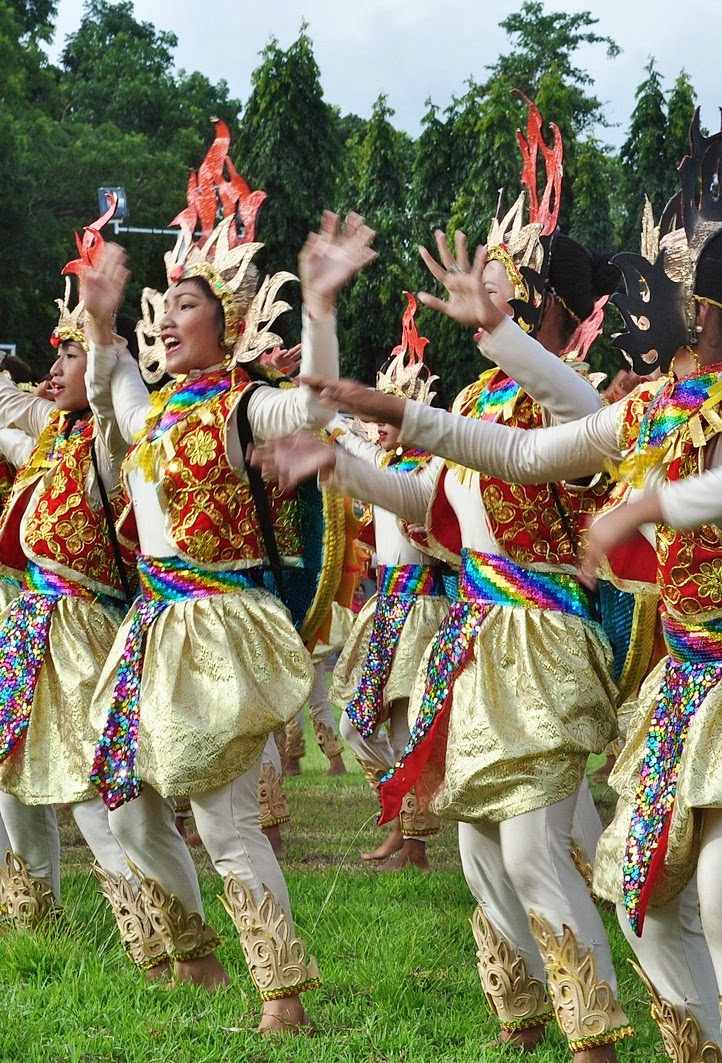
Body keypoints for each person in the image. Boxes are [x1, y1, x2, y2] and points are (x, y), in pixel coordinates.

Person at [258, 104, 635, 1061]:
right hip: (475, 637)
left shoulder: (568, 394)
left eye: (506, 287)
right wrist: (332, 468)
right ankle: (522, 1015)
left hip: (546, 636)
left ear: (543, 304)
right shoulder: (472, 400)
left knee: (533, 846)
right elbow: (426, 496)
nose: (483, 297)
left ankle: (594, 1035)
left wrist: (506, 338)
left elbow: (574, 420)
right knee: (478, 844)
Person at [78, 121, 370, 1033]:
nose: (169, 314)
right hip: (154, 625)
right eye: (164, 302)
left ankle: (281, 995)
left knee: (225, 818)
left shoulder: (247, 406)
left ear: (230, 322)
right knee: (121, 797)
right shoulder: (156, 409)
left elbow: (317, 401)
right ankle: (196, 956)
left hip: (219, 620)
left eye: (188, 303)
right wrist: (101, 326)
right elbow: (107, 395)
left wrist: (320, 308)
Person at [0, 210, 158, 971]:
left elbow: (105, 392)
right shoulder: (45, 447)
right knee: (12, 779)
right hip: (28, 623)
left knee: (90, 789)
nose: (55, 370)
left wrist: (100, 338)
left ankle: (148, 931)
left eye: (68, 357)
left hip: (78, 627)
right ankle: (32, 916)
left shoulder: (104, 437)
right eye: (52, 357)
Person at [325, 294, 448, 872]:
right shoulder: (384, 464)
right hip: (387, 605)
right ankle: (399, 818)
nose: (378, 428)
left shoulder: (427, 467)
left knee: (405, 726)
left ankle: (416, 845)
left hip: (422, 608)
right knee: (356, 721)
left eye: (389, 416)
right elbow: (345, 439)